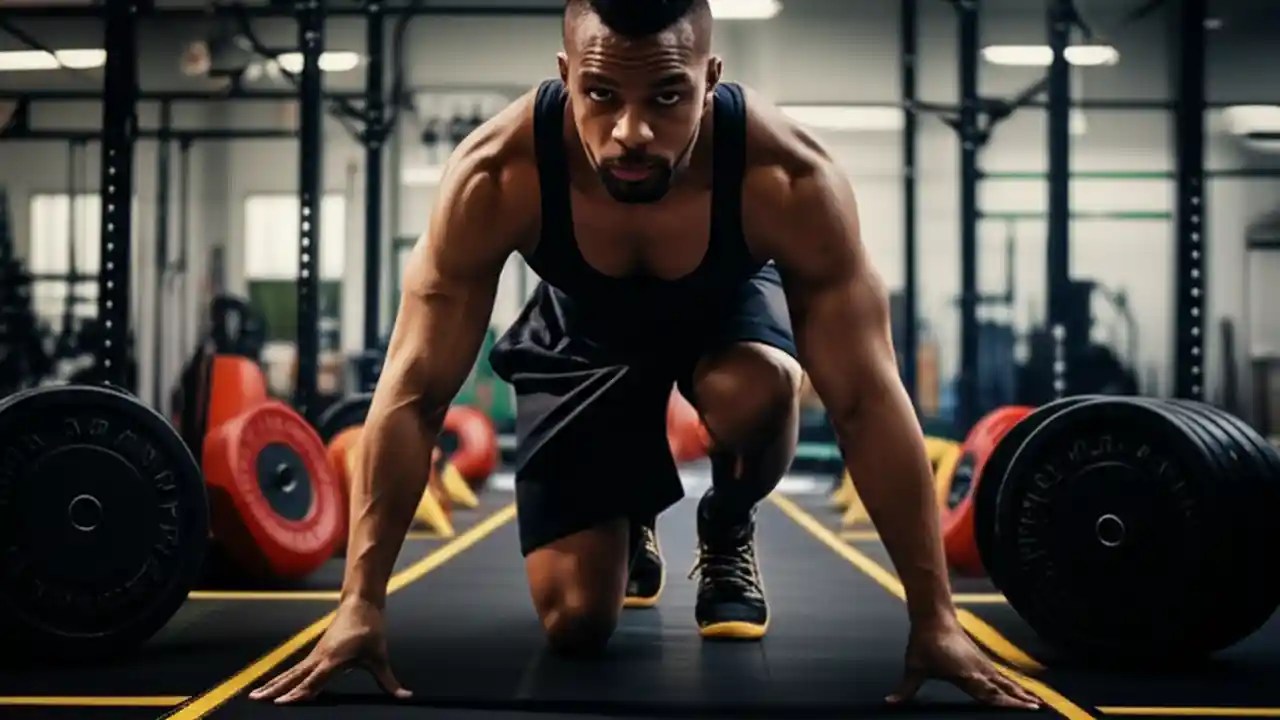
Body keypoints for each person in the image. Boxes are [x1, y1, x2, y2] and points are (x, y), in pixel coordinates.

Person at [250, 0, 1041, 710]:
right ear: (565, 77)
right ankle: (632, 513)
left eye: (668, 96)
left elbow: (868, 399)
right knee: (574, 624)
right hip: (581, 327)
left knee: (760, 391)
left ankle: (726, 524)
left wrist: (936, 618)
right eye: (601, 96)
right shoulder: (498, 175)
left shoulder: (787, 178)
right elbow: (414, 392)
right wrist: (361, 601)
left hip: (722, 310)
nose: (632, 131)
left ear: (711, 77)